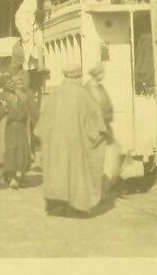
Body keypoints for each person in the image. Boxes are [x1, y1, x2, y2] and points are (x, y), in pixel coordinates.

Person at [35, 63, 109, 216]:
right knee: (77, 172)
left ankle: (59, 203)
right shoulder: (83, 95)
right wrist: (99, 134)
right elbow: (95, 120)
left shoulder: (55, 94)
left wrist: (45, 138)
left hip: (56, 144)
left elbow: (43, 121)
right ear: (78, 77)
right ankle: (77, 204)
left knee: (59, 172)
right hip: (76, 143)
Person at [85, 63, 123, 194]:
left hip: (106, 129)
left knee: (112, 157)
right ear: (96, 74)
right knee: (97, 161)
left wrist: (107, 117)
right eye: (102, 73)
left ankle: (105, 188)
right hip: (94, 132)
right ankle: (96, 190)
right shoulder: (87, 89)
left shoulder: (100, 87)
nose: (103, 75)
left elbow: (109, 106)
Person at [0, 73, 32, 189]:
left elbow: (26, 113)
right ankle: (11, 177)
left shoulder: (20, 97)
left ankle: (19, 175)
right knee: (10, 153)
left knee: (21, 152)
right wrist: (4, 109)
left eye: (12, 81)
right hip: (8, 129)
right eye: (8, 82)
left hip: (20, 128)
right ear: (3, 84)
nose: (12, 84)